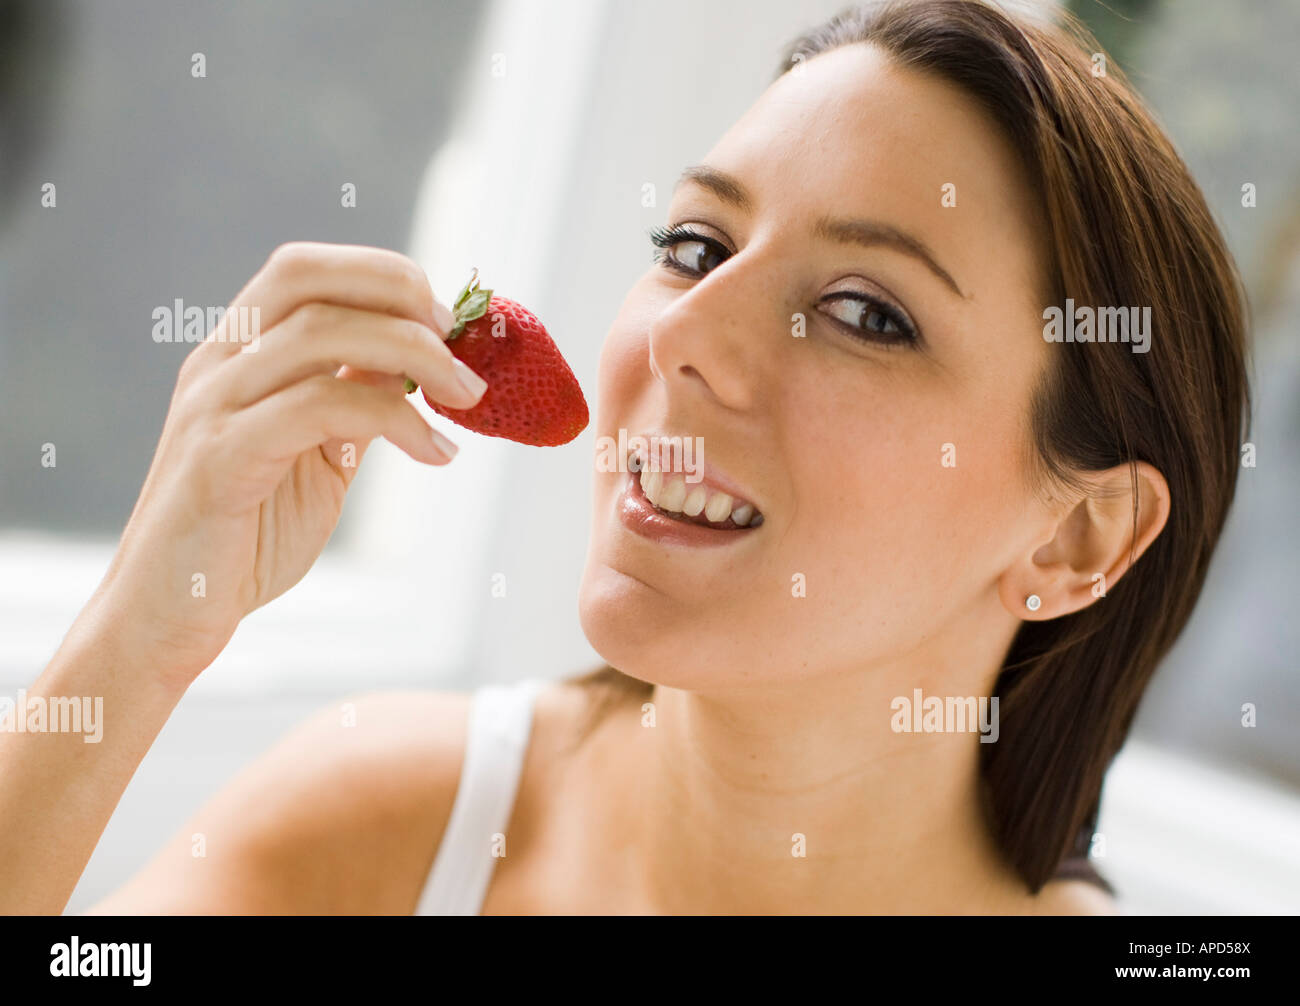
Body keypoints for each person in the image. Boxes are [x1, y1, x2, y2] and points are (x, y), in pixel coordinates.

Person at [0, 0, 1249, 915]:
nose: (686, 332)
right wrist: (138, 634)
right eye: (698, 247)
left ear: (1075, 536)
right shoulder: (398, 821)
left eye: (869, 313)